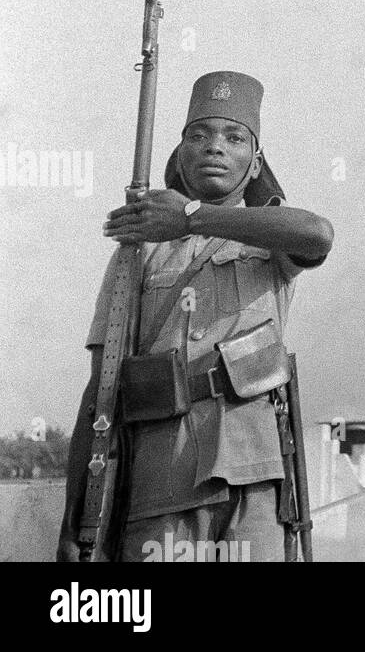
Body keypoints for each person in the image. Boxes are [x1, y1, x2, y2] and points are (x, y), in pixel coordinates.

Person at [58, 71, 332, 563]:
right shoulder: (136, 254)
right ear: (179, 157)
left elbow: (317, 234)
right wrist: (75, 517)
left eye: (234, 137)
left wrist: (190, 216)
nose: (215, 148)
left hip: (257, 477)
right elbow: (99, 391)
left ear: (255, 163)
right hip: (163, 476)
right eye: (198, 135)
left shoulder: (270, 242)